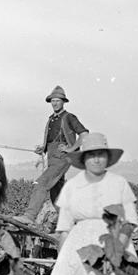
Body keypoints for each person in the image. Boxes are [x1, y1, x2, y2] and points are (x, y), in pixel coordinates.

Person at [37, 132, 138, 275]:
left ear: (107, 158)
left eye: (101, 154)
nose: (96, 159)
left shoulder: (118, 184)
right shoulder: (72, 187)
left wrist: (117, 251)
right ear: (83, 159)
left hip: (112, 238)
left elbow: (129, 222)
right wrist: (63, 258)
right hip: (79, 242)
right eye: (91, 155)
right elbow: (64, 227)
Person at [19, 85, 89, 225]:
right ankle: (69, 223)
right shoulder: (51, 119)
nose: (54, 103)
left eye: (57, 100)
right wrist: (42, 148)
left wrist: (71, 149)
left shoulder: (69, 117)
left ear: (63, 102)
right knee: (56, 194)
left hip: (62, 157)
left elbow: (84, 134)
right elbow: (52, 140)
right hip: (51, 156)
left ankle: (29, 216)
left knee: (41, 183)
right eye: (52, 101)